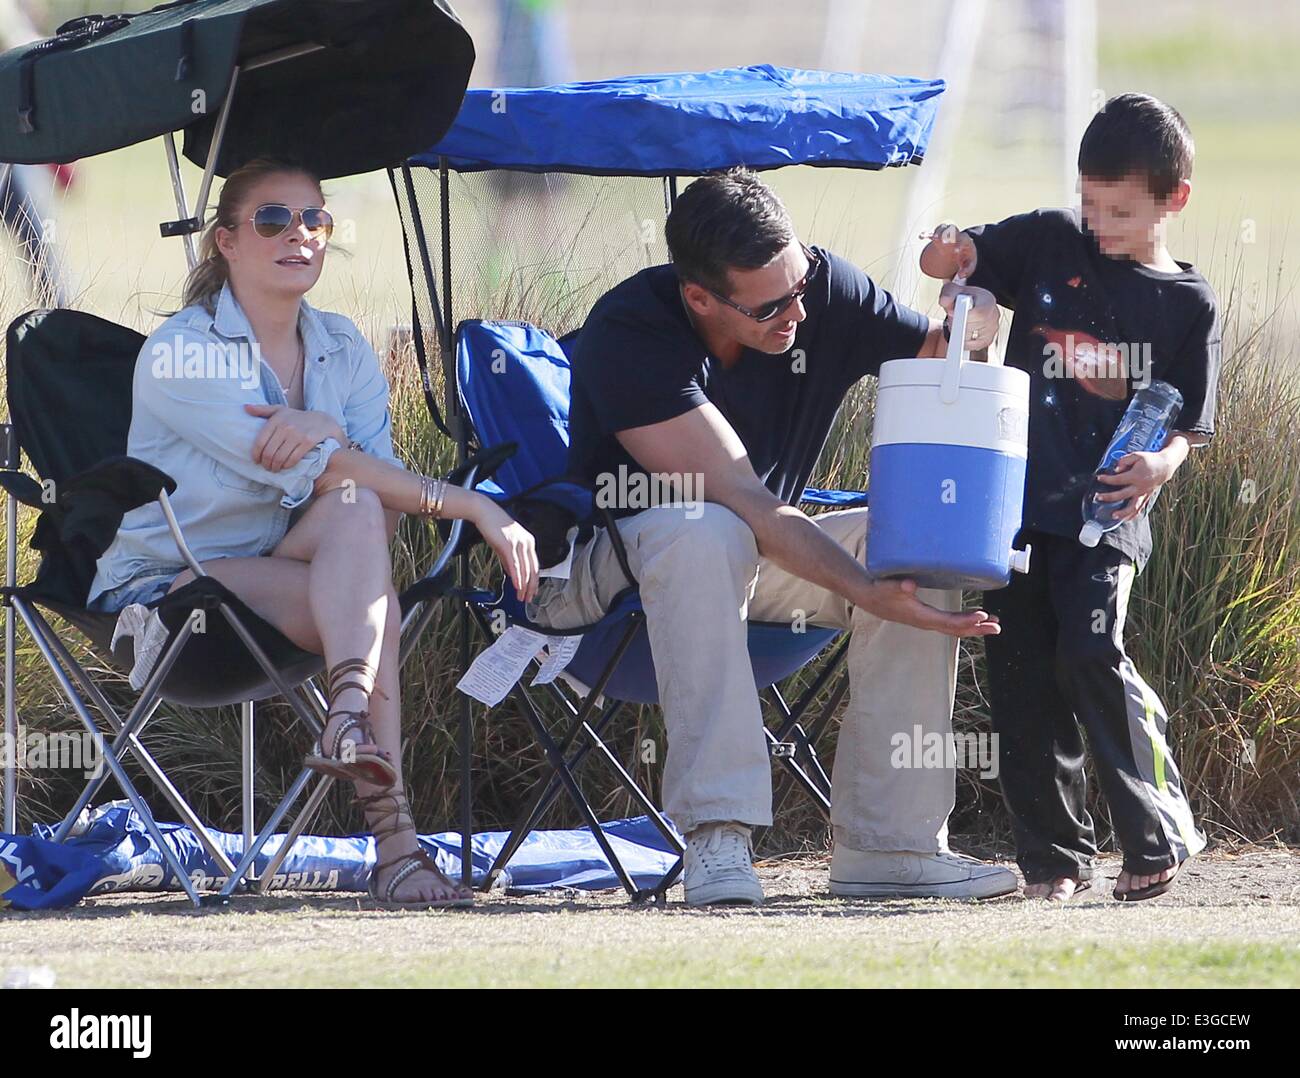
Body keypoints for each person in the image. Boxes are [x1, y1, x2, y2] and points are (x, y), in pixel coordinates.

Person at [526, 167, 1017, 906]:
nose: (798, 312)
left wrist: (974, 327)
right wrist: (868, 596)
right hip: (610, 579)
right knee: (705, 527)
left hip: (754, 559)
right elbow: (747, 504)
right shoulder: (627, 333)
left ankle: (891, 848)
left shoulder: (819, 288)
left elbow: (944, 358)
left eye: (799, 285)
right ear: (700, 298)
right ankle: (718, 838)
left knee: (909, 544)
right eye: (770, 306)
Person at [87, 158, 540, 909]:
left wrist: (330, 441)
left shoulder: (342, 345)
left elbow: (378, 499)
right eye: (272, 219)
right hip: (178, 600)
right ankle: (394, 846)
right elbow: (322, 473)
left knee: (362, 510)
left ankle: (347, 718)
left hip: (299, 582)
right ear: (225, 241)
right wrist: (474, 506)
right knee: (373, 596)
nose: (298, 234)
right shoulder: (181, 351)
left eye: (315, 219)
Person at [920, 93, 1218, 902]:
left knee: (1089, 655)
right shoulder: (1050, 241)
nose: (1099, 222)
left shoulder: (1189, 305)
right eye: (1091, 202)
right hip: (1010, 514)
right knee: (1018, 679)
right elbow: (946, 265)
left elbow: (1190, 423)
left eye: (1120, 210)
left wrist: (1160, 467)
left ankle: (1156, 833)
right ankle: (1053, 863)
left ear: (1173, 201)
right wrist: (950, 253)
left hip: (1108, 520)